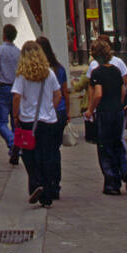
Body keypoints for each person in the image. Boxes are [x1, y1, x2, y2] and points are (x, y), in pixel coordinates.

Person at [12, 41, 63, 208]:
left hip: (28, 121)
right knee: (47, 156)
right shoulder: (49, 73)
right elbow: (58, 94)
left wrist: (16, 115)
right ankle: (47, 193)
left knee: (29, 155)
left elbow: (17, 97)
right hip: (48, 121)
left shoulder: (22, 75)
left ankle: (36, 183)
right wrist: (50, 107)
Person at [85, 35, 127, 189]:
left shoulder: (97, 72)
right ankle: (126, 170)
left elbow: (98, 94)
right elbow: (123, 90)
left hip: (104, 111)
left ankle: (112, 182)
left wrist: (90, 110)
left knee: (105, 146)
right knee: (117, 142)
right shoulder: (116, 70)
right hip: (117, 111)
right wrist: (119, 104)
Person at [37, 35, 70, 198]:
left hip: (45, 113)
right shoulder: (60, 69)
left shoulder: (39, 71)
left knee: (43, 150)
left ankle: (47, 183)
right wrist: (68, 112)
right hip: (60, 111)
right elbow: (65, 93)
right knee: (54, 150)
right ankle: (55, 184)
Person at [0, 24, 20, 162]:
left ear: (4, 35)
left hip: (4, 88)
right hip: (17, 88)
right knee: (15, 120)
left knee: (1, 122)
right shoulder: (19, 52)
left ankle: (12, 142)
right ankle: (15, 148)